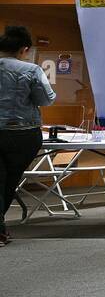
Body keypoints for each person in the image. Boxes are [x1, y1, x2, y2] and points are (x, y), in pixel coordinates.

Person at [0, 26, 56, 246]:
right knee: (9, 181)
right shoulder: (31, 70)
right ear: (24, 49)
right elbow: (46, 99)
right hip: (22, 134)